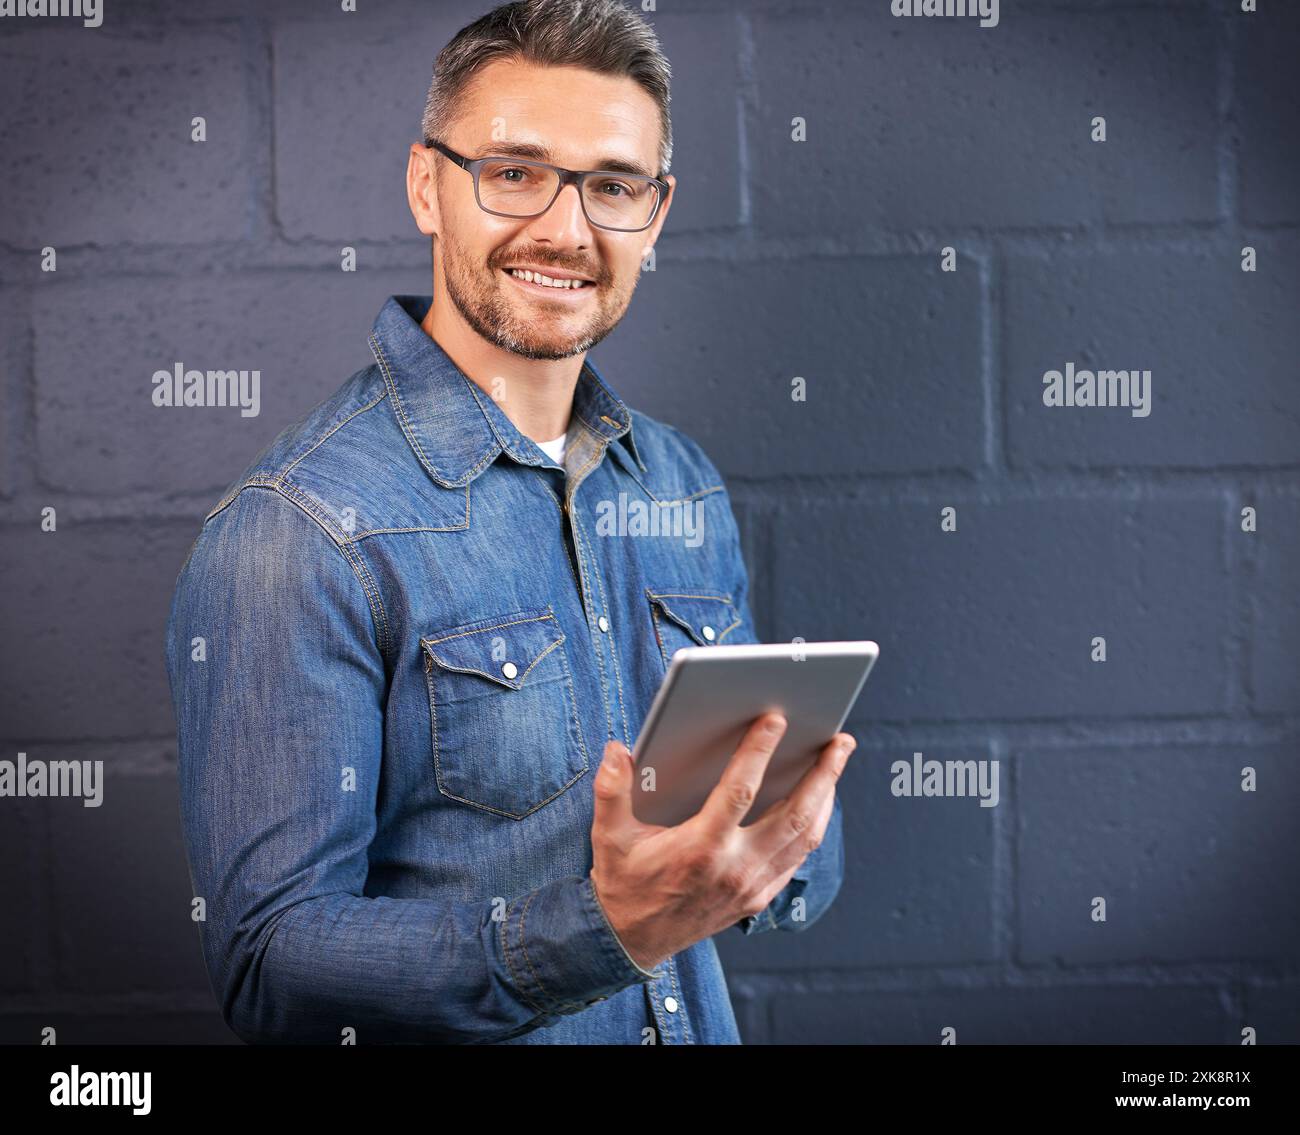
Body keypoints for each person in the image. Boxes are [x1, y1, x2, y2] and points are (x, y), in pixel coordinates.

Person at [165, 0, 855, 1045]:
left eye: (612, 186)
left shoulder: (678, 483)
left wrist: (781, 848)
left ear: (655, 215)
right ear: (425, 186)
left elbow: (789, 867)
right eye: (515, 171)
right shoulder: (297, 530)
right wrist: (603, 926)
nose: (566, 230)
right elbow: (272, 970)